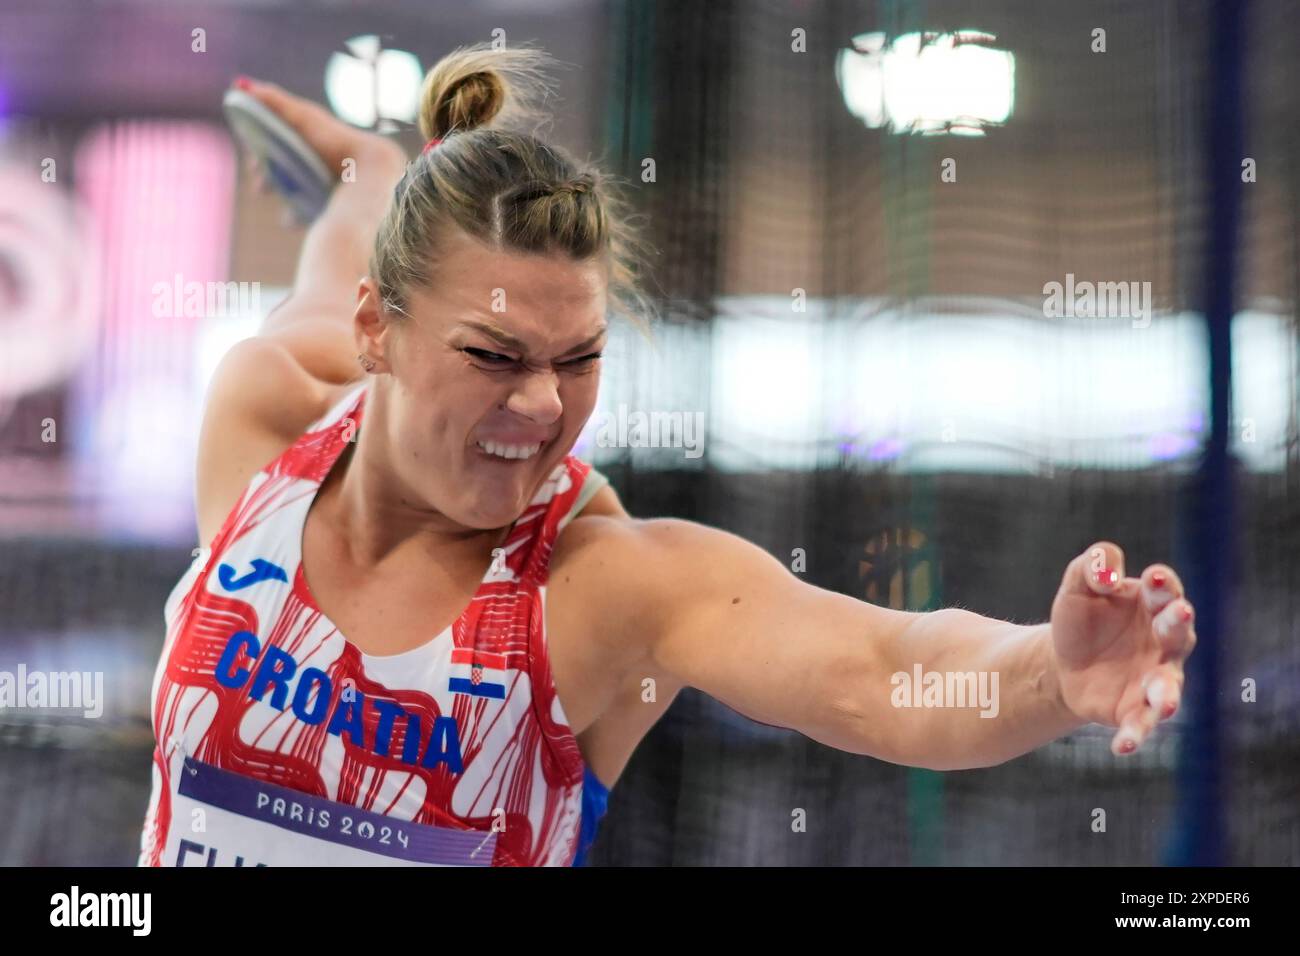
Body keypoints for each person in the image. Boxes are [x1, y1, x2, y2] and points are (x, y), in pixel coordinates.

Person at [139, 44, 1197, 867]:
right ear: (383, 333)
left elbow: (880, 670)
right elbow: (331, 283)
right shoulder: (268, 417)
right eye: (494, 354)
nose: (544, 401)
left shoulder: (603, 585)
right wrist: (363, 182)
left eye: (579, 356)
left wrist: (1051, 675)